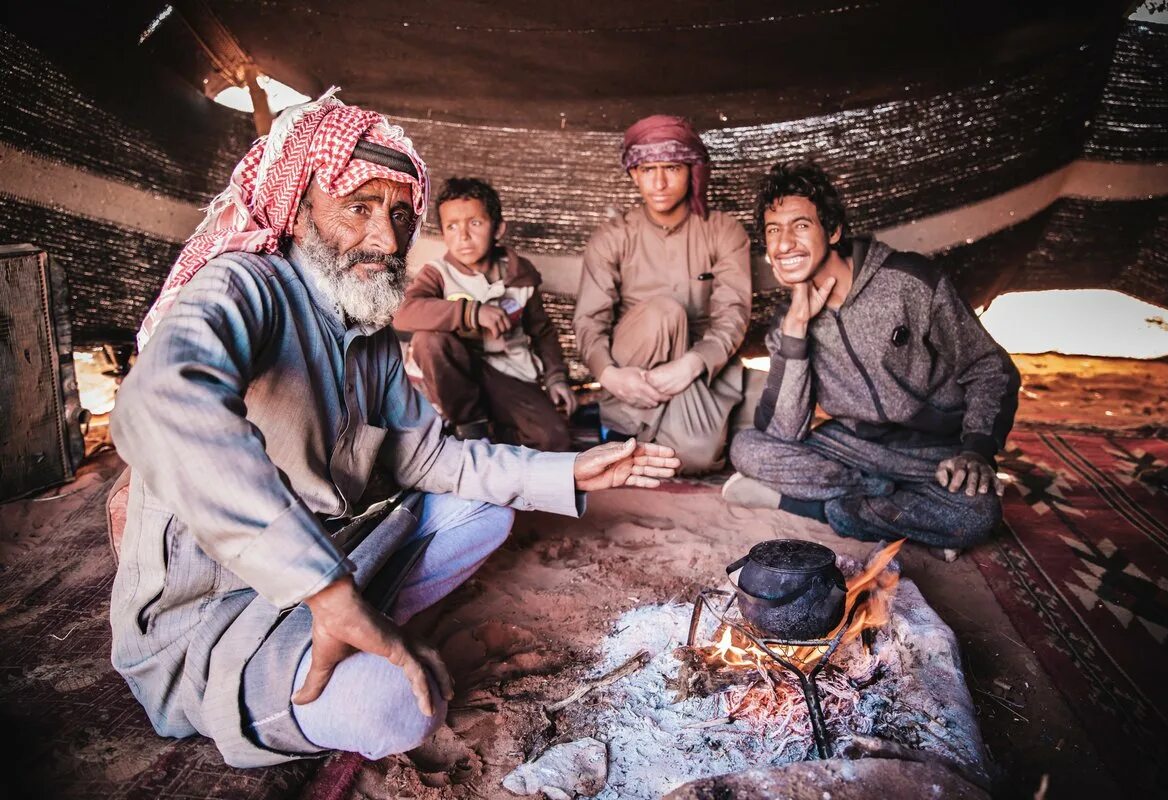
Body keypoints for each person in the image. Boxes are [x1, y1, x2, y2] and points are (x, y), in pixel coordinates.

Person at [108, 92, 679, 769]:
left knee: (487, 511)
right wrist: (322, 588)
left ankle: (353, 619)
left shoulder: (369, 326)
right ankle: (333, 631)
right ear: (296, 210)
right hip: (217, 611)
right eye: (357, 207)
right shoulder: (245, 286)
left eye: (399, 214)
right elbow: (159, 401)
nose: (384, 237)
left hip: (337, 554)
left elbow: (430, 455)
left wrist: (565, 471)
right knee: (399, 707)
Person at [723, 162, 1019, 558]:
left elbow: (988, 367)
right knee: (746, 448)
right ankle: (895, 505)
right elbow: (780, 434)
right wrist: (796, 328)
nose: (784, 243)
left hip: (934, 452)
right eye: (774, 230)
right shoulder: (787, 322)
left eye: (800, 226)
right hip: (855, 448)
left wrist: (977, 450)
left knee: (979, 514)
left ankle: (810, 506)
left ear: (833, 231)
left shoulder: (908, 282)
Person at [573, 115, 751, 474]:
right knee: (664, 313)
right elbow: (589, 321)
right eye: (647, 168)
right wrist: (608, 375)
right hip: (632, 367)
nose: (659, 182)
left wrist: (691, 365)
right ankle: (628, 420)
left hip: (692, 366)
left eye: (671, 167)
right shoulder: (612, 236)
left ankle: (625, 431)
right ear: (634, 174)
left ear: (692, 170)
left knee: (699, 457)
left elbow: (733, 314)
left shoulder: (723, 231)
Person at [393, 177, 575, 450]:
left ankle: (492, 435)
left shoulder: (519, 275)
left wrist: (556, 377)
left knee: (554, 438)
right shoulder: (439, 273)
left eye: (475, 223)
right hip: (454, 375)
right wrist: (471, 312)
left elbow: (543, 331)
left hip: (508, 375)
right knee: (428, 340)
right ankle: (470, 428)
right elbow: (403, 313)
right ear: (443, 233)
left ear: (498, 228)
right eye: (452, 227)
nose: (463, 236)